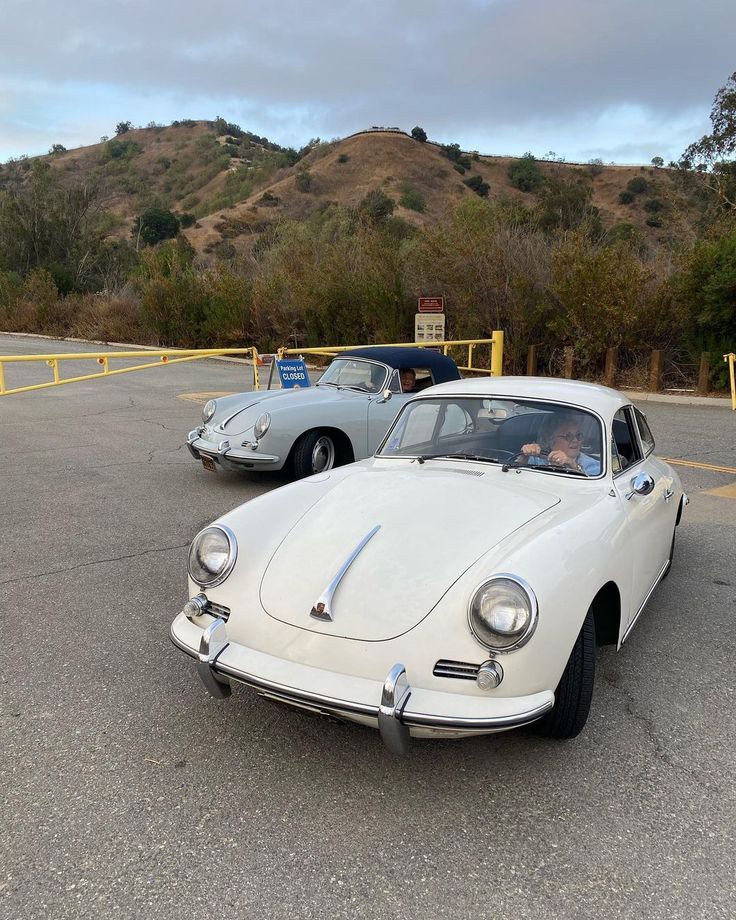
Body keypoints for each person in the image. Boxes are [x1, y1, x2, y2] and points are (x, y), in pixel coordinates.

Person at [520, 414, 600, 475]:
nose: (575, 440)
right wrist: (524, 456)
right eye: (568, 436)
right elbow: (518, 477)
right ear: (550, 440)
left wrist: (573, 466)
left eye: (578, 435)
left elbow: (592, 490)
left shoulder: (594, 465)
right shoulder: (537, 459)